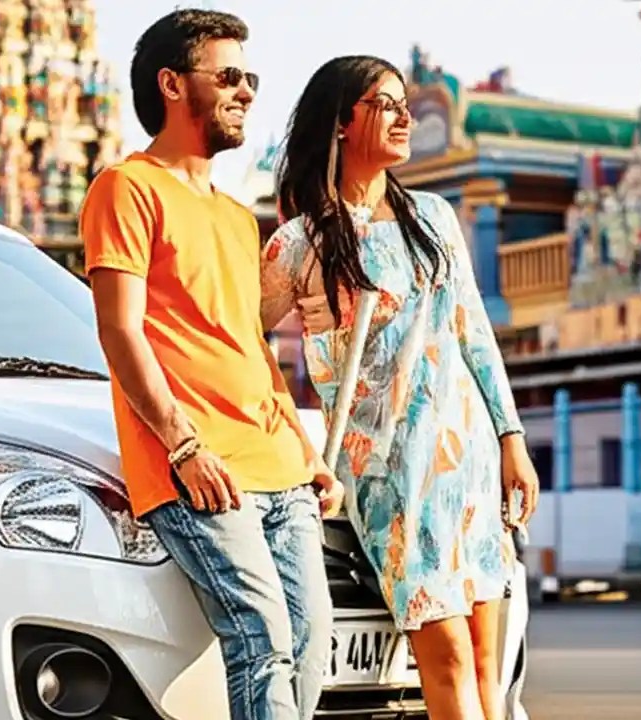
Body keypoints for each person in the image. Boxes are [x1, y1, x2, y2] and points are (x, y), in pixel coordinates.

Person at [78, 9, 345, 720]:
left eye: (249, 77)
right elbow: (121, 333)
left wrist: (302, 447)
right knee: (261, 639)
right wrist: (183, 445)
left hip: (277, 465)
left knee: (311, 638)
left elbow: (248, 346)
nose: (247, 91)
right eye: (228, 76)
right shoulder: (127, 189)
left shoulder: (234, 217)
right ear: (172, 84)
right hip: (200, 469)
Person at [260, 55, 541, 720]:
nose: (403, 116)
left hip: (466, 462)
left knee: (485, 663)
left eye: (402, 103)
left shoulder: (436, 219)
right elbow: (243, 339)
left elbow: (474, 333)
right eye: (384, 103)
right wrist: (283, 422)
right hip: (387, 472)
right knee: (444, 659)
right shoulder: (300, 242)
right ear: (340, 123)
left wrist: (511, 438)